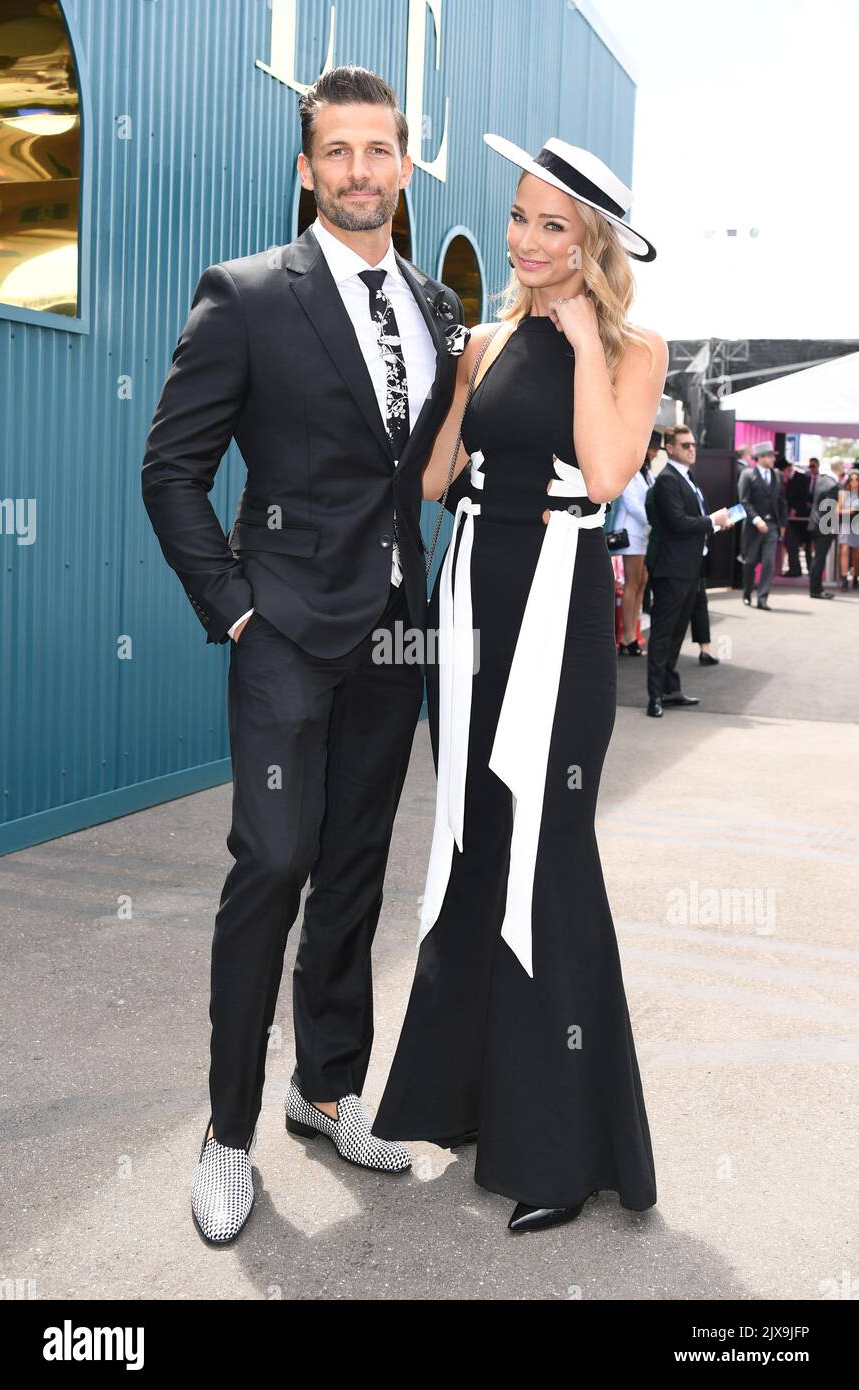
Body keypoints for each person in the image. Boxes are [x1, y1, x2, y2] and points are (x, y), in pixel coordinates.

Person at [141, 65, 471, 1243]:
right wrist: (233, 609)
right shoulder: (244, 296)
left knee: (350, 875)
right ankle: (227, 1134)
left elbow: (431, 472)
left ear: (401, 163)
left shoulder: (438, 313)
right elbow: (169, 469)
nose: (358, 172)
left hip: (394, 635)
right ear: (305, 169)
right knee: (271, 864)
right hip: (280, 631)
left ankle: (324, 1091)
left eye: (377, 151)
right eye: (335, 152)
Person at [372, 132, 665, 1232]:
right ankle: (455, 1101)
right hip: (472, 604)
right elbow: (441, 471)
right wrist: (443, 400)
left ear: (589, 243)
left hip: (560, 605)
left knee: (548, 847)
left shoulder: (635, 346)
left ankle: (562, 1149)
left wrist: (584, 343)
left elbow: (601, 474)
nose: (527, 241)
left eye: (553, 225)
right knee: (470, 840)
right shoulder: (484, 340)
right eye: (518, 217)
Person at [644, 426, 732, 717]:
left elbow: (692, 519)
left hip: (690, 567)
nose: (692, 449)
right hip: (671, 569)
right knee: (663, 633)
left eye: (693, 444)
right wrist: (712, 520)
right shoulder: (668, 479)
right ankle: (655, 696)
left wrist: (716, 523)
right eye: (685, 445)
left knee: (677, 633)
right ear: (670, 448)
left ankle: (670, 690)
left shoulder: (687, 477)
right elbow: (679, 523)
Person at [611, 433, 658, 654]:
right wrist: (654, 522)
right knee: (632, 583)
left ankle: (632, 632)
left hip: (644, 533)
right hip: (632, 534)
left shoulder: (647, 474)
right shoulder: (630, 471)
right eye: (653, 449)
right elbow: (631, 504)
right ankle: (627, 636)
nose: (655, 453)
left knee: (641, 582)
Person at [738, 441, 788, 608]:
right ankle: (747, 592)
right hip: (753, 526)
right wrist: (756, 519)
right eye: (770, 456)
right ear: (760, 457)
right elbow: (744, 501)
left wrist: (783, 523)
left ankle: (762, 598)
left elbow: (782, 500)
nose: (773, 459)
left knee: (769, 562)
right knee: (750, 562)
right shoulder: (747, 474)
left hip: (772, 525)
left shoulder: (777, 475)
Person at [808, 460, 841, 599]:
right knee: (820, 559)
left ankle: (816, 588)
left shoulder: (821, 481)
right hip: (824, 527)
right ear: (839, 468)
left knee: (817, 558)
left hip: (814, 523)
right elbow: (830, 510)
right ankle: (816, 590)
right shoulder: (833, 485)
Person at [838, 468, 859, 589]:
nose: (854, 481)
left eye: (857, 479)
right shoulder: (843, 494)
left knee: (857, 554)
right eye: (852, 479)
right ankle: (844, 578)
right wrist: (849, 510)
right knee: (844, 551)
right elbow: (837, 510)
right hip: (846, 523)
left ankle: (855, 576)